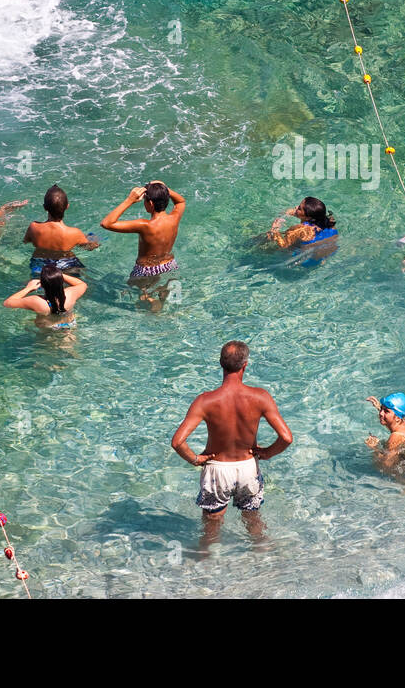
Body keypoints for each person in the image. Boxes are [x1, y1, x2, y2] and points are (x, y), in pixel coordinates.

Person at [171, 341, 293, 549]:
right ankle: (265, 557)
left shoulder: (205, 401)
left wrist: (195, 459)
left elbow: (178, 442)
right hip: (247, 467)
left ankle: (206, 564)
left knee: (212, 526)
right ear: (245, 365)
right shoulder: (260, 397)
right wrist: (267, 453)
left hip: (218, 470)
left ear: (221, 364)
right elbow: (286, 437)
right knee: (253, 520)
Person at [101, 180, 185, 305]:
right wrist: (165, 189)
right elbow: (180, 201)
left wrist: (129, 200)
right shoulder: (174, 217)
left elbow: (106, 223)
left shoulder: (145, 226)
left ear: (150, 203)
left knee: (137, 294)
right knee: (162, 293)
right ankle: (163, 306)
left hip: (146, 270)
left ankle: (155, 310)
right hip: (170, 265)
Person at [24, 184, 99, 275]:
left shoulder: (34, 227)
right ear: (67, 206)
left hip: (40, 264)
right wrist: (93, 238)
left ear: (44, 207)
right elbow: (90, 247)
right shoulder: (74, 233)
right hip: (66, 263)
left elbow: (26, 241)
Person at [2, 265, 87, 329]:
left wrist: (28, 288)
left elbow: (7, 303)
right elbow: (82, 284)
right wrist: (58, 275)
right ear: (61, 281)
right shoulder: (70, 294)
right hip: (70, 326)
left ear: (42, 284)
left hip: (49, 329)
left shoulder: (37, 301)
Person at [265, 197, 338, 259]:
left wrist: (274, 230)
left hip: (306, 260)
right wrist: (296, 213)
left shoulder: (300, 230)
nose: (296, 207)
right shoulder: (329, 222)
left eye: (299, 208)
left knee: (265, 241)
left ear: (308, 217)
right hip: (326, 254)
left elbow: (284, 246)